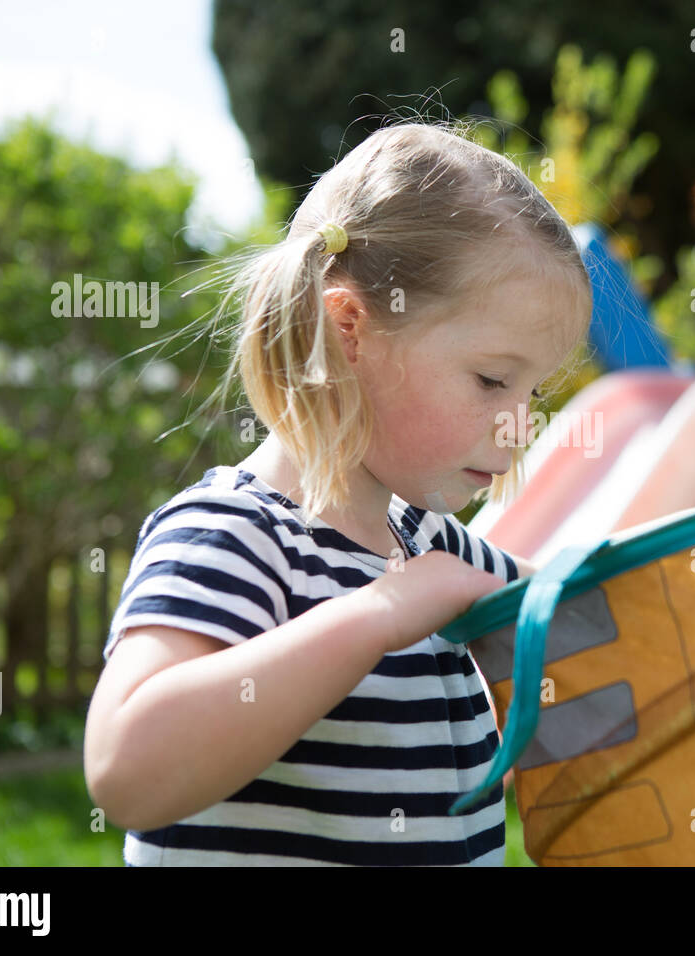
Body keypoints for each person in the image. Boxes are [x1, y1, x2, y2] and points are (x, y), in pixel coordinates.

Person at [83, 120, 594, 865]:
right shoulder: (233, 536)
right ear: (351, 328)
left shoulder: (431, 542)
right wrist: (383, 614)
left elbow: (591, 627)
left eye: (535, 389)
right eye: (491, 380)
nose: (521, 424)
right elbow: (126, 772)